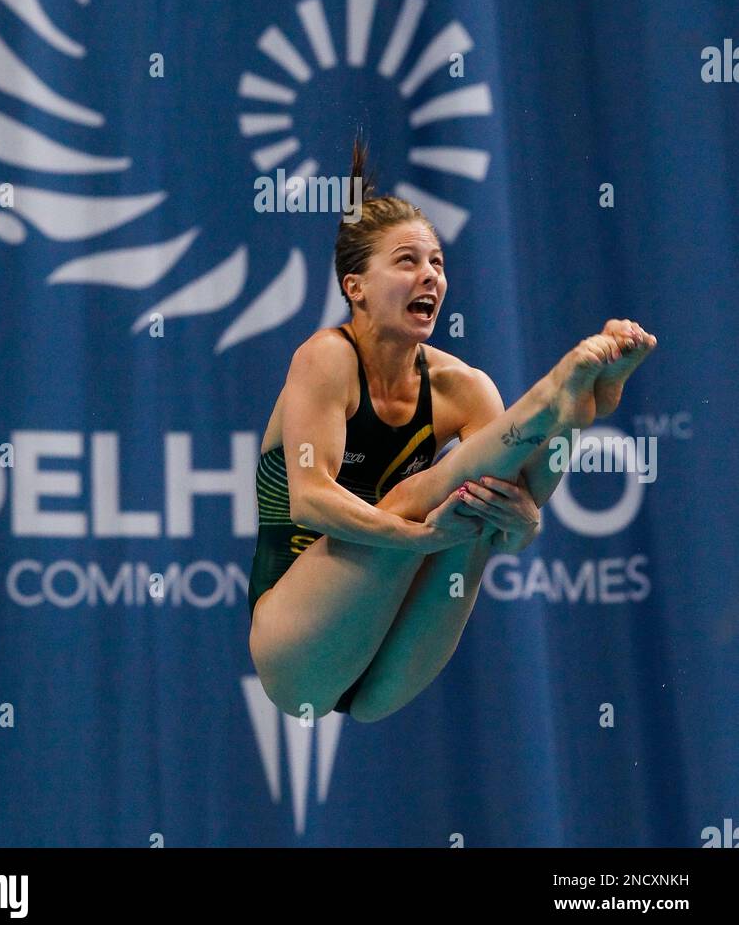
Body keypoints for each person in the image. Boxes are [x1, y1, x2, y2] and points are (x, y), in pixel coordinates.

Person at [247, 133, 657, 723]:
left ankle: (573, 410)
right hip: (296, 647)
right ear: (353, 287)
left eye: (437, 262)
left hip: (384, 679)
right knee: (418, 498)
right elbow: (310, 502)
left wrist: (523, 525)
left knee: (479, 508)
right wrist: (416, 539)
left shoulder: (463, 386)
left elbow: (516, 525)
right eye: (407, 261)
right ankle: (557, 395)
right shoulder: (325, 360)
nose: (431, 277)